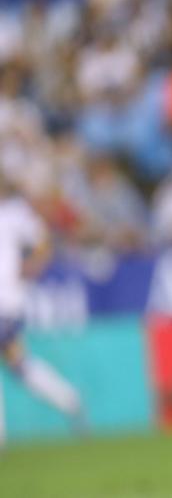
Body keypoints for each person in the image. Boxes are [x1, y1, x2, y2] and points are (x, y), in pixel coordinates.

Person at [0, 176, 84, 445]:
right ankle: (68, 399)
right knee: (18, 365)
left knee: (17, 362)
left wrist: (34, 265)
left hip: (6, 300)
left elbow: (42, 238)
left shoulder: (13, 213)